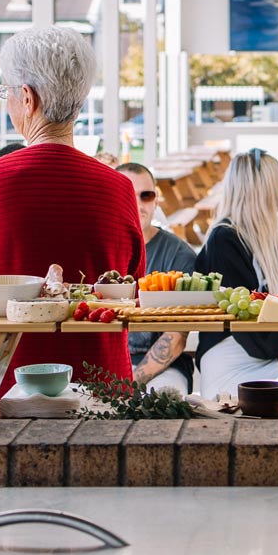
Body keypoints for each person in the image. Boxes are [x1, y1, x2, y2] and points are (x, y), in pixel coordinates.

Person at [0, 26, 144, 402]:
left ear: (27, 98)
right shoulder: (118, 188)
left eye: (6, 92)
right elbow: (131, 293)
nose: (7, 103)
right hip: (100, 385)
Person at [193, 149, 278, 398]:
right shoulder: (225, 239)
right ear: (262, 189)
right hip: (234, 356)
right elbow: (242, 320)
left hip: (261, 349)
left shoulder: (263, 239)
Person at [116, 162, 198, 393]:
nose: (139, 205)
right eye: (128, 195)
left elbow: (176, 336)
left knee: (163, 400)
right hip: (104, 361)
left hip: (163, 368)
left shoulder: (179, 255)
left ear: (157, 199)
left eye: (147, 195)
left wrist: (129, 384)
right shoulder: (94, 249)